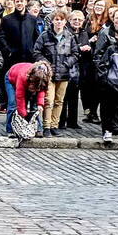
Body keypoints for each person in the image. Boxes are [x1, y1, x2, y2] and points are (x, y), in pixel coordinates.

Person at [33, 9, 77, 138]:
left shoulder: (69, 36)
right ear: (52, 21)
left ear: (65, 21)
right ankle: (46, 126)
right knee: (48, 100)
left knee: (59, 101)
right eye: (56, 19)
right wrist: (47, 65)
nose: (59, 22)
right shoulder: (45, 36)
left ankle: (54, 125)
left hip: (64, 74)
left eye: (61, 20)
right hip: (49, 74)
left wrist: (67, 64)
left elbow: (75, 53)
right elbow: (37, 52)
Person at [5, 59, 50, 137]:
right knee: (12, 104)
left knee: (35, 107)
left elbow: (42, 90)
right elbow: (20, 98)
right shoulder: (23, 76)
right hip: (11, 78)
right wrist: (25, 116)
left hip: (28, 81)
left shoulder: (45, 77)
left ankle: (38, 129)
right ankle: (10, 130)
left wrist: (40, 104)